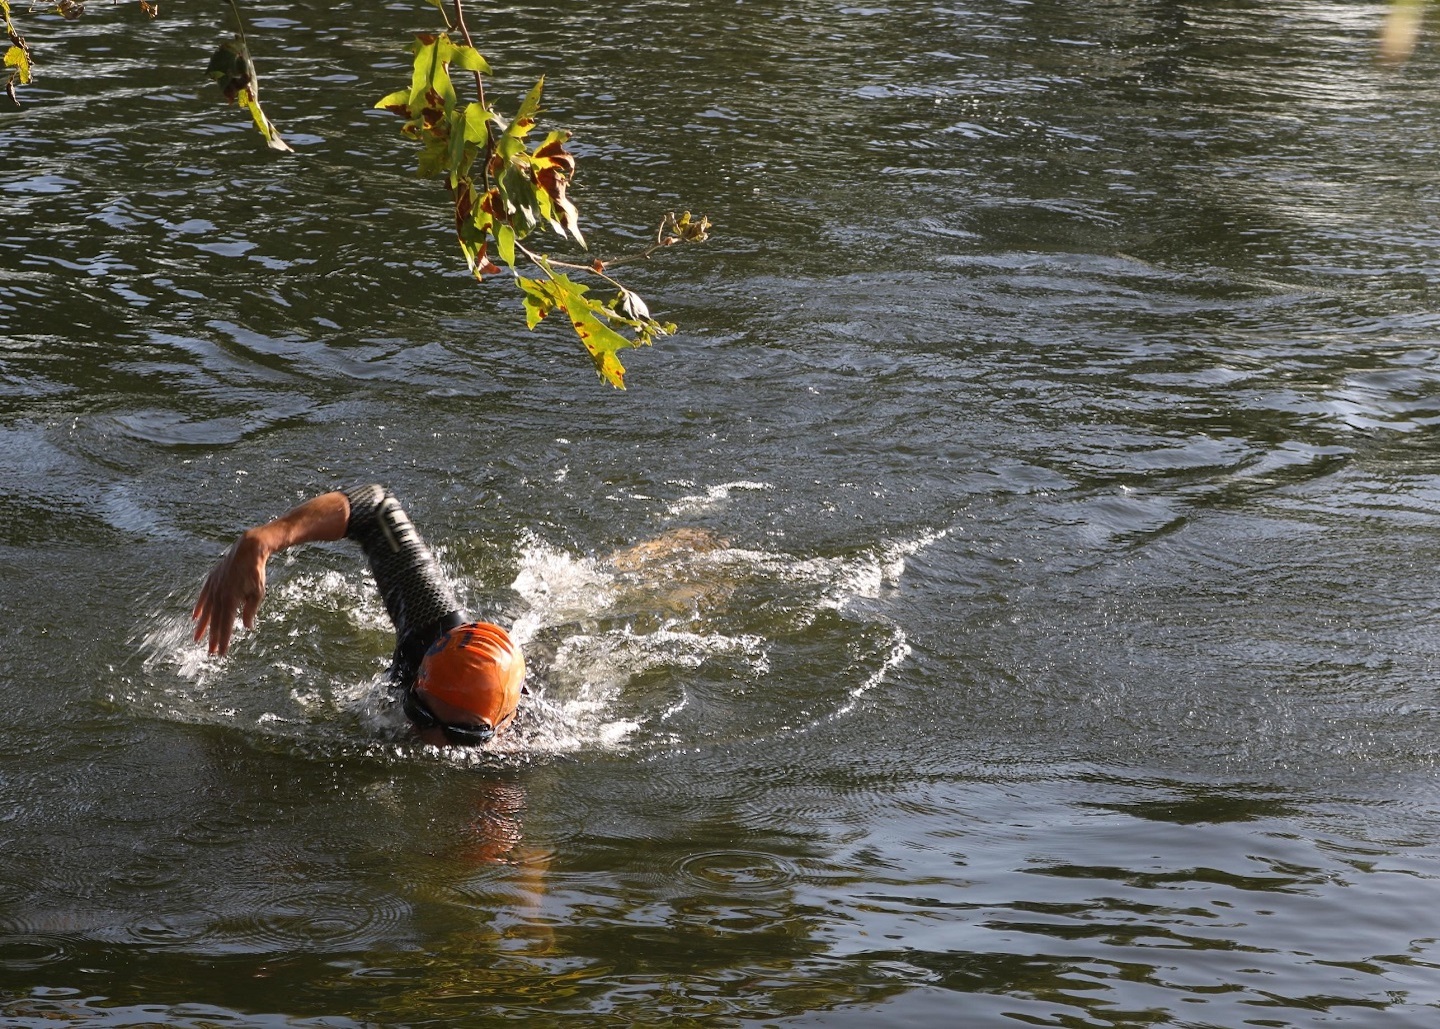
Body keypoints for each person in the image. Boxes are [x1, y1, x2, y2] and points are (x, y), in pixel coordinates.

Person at [191, 484, 525, 747]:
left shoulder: (524, 755)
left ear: (501, 727)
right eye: (418, 713)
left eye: (461, 735)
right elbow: (375, 507)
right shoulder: (430, 634)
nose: (430, 738)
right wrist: (262, 540)